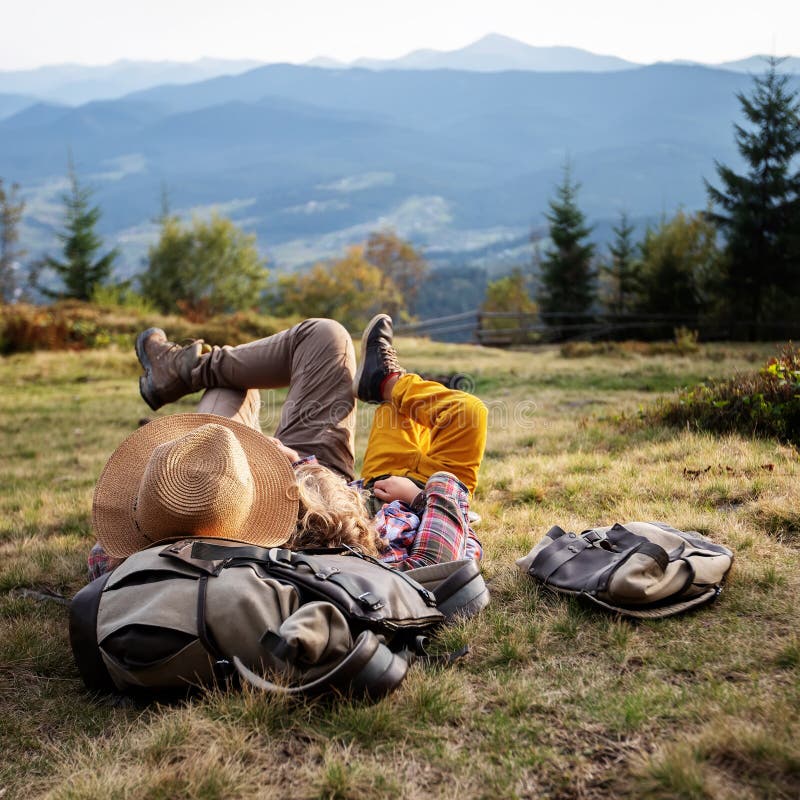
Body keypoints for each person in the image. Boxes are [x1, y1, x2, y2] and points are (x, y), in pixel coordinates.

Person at [88, 314, 487, 578]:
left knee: (237, 381)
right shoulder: (340, 562)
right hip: (320, 498)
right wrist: (422, 496)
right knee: (324, 336)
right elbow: (441, 564)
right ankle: (182, 371)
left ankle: (179, 372)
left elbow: (104, 559)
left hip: (272, 492)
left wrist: (174, 485)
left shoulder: (146, 549)